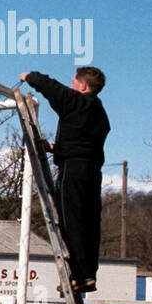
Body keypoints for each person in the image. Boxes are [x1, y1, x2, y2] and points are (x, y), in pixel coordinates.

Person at [20, 67, 110, 292]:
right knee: (89, 222)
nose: (71, 87)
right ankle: (88, 274)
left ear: (82, 86)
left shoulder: (78, 102)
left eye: (73, 83)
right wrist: (55, 148)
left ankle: (77, 274)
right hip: (92, 170)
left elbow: (52, 87)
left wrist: (29, 77)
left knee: (71, 221)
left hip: (74, 169)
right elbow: (82, 137)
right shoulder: (99, 111)